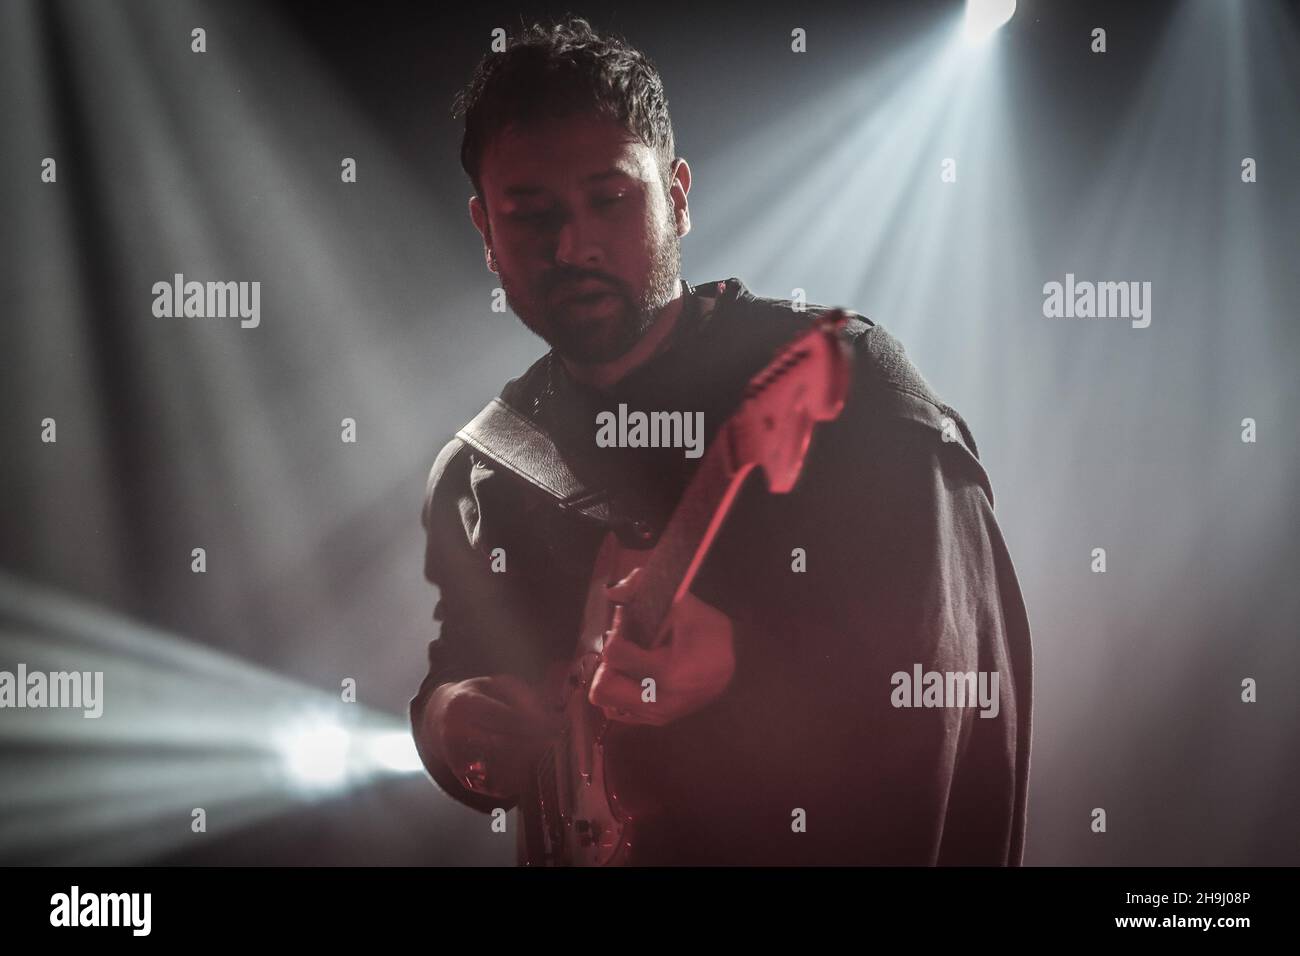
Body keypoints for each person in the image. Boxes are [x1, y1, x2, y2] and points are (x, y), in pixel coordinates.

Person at [409, 16, 1033, 865]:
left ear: (677, 195)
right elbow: (460, 664)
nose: (573, 245)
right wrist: (449, 723)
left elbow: (954, 678)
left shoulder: (849, 386)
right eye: (531, 215)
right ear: (485, 232)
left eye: (610, 199)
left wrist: (748, 670)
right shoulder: (482, 470)